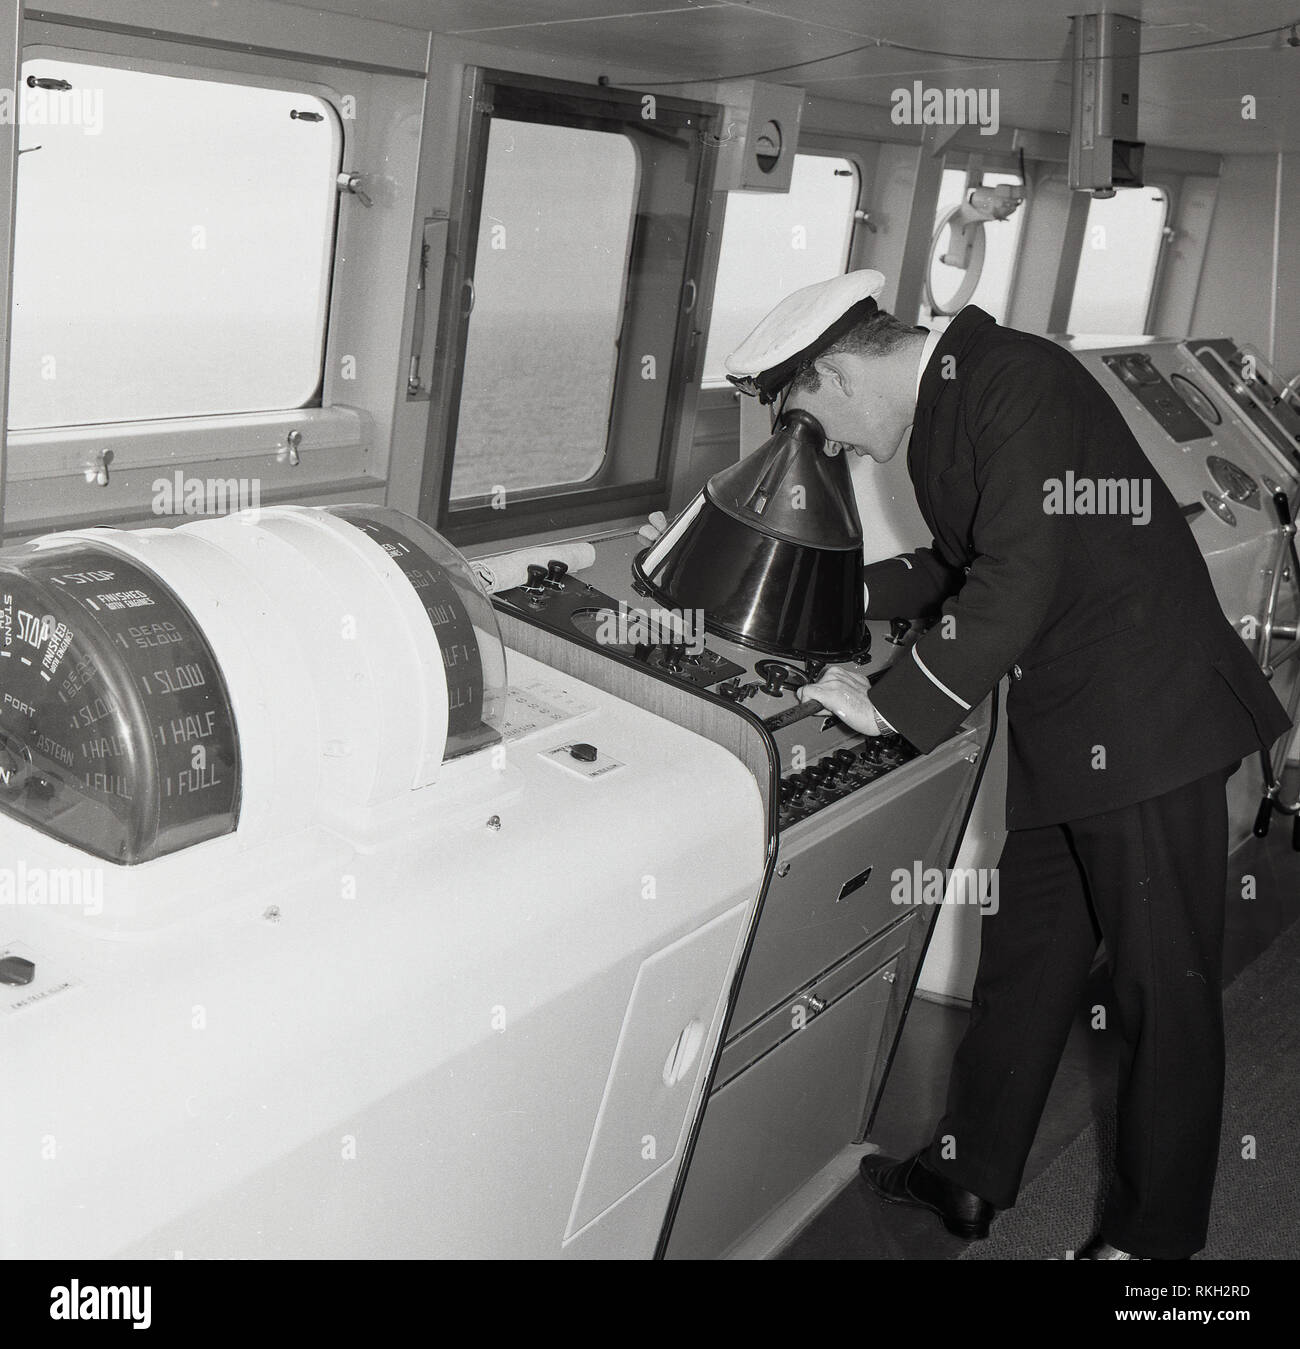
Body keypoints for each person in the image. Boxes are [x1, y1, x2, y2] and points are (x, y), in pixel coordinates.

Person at [722, 269, 1292, 1260]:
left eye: (816, 417)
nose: (838, 447)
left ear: (835, 371)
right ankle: (966, 1169)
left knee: (1164, 990)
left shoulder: (1011, 379)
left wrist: (892, 703)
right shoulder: (957, 395)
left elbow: (1017, 569)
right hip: (1074, 732)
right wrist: (817, 595)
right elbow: (967, 562)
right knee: (1025, 963)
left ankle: (1152, 1247)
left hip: (1146, 726)